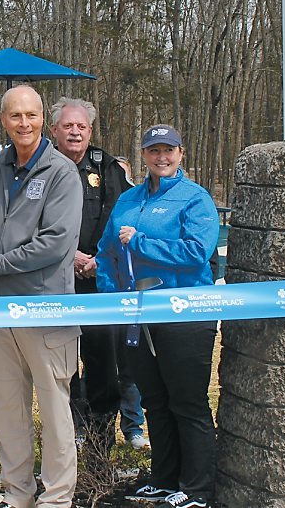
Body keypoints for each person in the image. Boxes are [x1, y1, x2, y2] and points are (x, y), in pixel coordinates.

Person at [0, 85, 82, 508]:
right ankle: (18, 496)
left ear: (43, 121)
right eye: (16, 116)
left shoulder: (61, 173)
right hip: (0, 311)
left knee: (54, 414)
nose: (24, 124)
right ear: (3, 120)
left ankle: (56, 500)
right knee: (7, 412)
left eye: (31, 115)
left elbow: (54, 244)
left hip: (45, 307)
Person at [96, 125, 219, 508]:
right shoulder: (129, 200)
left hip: (183, 315)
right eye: (154, 151)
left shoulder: (195, 200)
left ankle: (197, 488)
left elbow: (197, 253)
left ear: (181, 154)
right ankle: (165, 478)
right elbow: (106, 251)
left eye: (168, 150)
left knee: (188, 402)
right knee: (155, 400)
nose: (161, 157)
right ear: (144, 155)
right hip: (137, 314)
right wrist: (111, 294)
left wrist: (143, 242)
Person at [47, 97, 142, 458]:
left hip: (99, 283)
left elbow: (122, 217)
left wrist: (99, 260)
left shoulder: (108, 168)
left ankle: (101, 451)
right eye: (68, 126)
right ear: (53, 130)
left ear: (90, 131)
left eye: (81, 126)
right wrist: (66, 255)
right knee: (61, 369)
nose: (75, 132)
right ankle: (69, 437)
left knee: (102, 367)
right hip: (56, 283)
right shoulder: (41, 166)